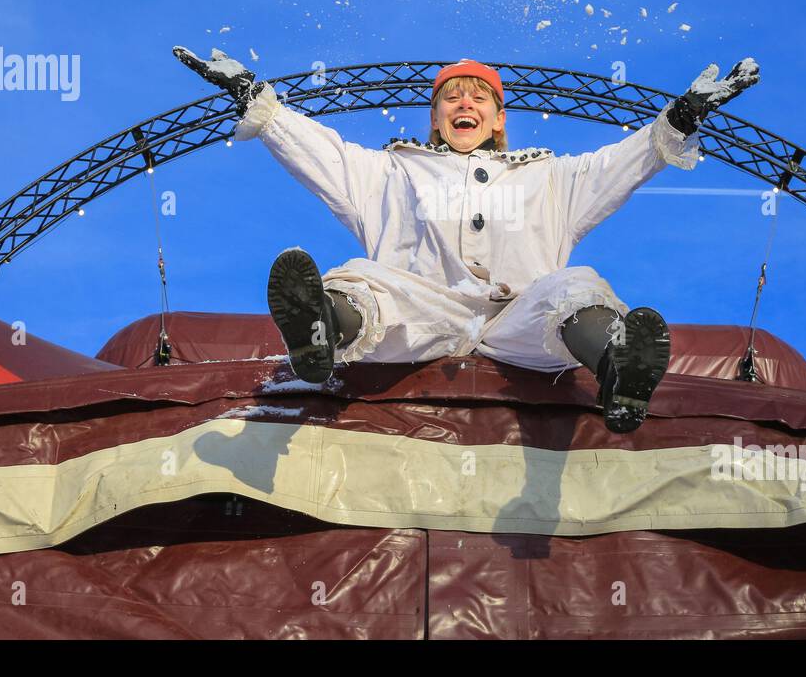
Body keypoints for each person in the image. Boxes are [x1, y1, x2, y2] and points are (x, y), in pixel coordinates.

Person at [175, 48, 759, 432]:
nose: (465, 103)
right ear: (435, 117)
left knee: (573, 286)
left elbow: (623, 163)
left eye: (479, 96)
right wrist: (257, 98)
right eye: (451, 97)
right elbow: (319, 151)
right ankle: (321, 329)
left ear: (499, 118)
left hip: (520, 319)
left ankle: (617, 368)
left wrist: (680, 116)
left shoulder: (549, 178)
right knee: (368, 279)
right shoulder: (392, 173)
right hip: (422, 313)